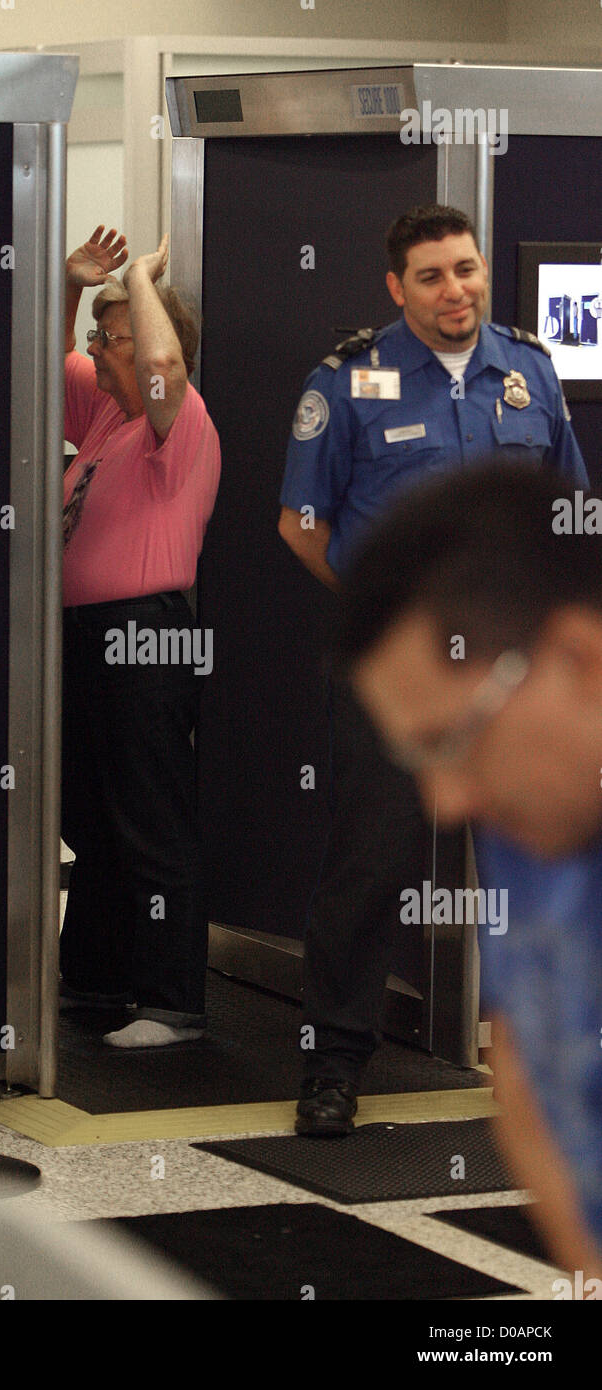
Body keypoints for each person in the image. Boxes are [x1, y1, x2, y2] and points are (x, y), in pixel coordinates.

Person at [277, 204, 588, 1135]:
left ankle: (561, 1060)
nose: (456, 290)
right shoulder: (346, 381)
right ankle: (333, 1066)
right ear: (395, 287)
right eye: (432, 276)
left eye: (466, 269)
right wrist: (387, 634)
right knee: (369, 868)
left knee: (546, 863)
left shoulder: (529, 371)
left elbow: (566, 508)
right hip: (402, 688)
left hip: (517, 680)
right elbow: (300, 525)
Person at [339, 459, 602, 1278]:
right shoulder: (532, 818)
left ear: (577, 659)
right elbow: (529, 1074)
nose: (445, 803)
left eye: (451, 741)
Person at [60, 224, 221, 1048]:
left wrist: (144, 283)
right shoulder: (106, 417)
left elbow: (159, 365)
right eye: (99, 337)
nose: (98, 351)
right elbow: (47, 368)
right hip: (86, 633)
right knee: (88, 816)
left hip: (146, 634)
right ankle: (95, 978)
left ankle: (169, 1003)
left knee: (149, 816)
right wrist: (75, 287)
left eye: (110, 340)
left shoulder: (176, 417)